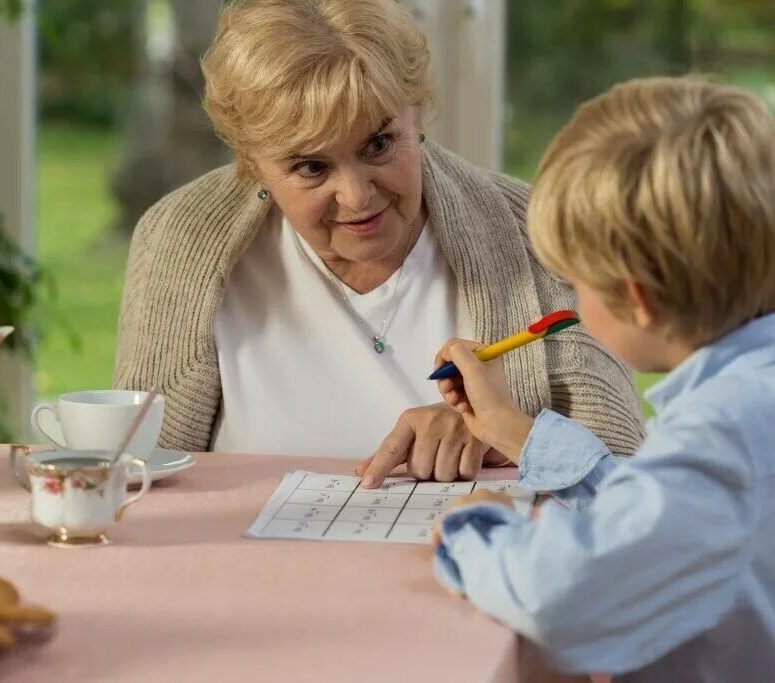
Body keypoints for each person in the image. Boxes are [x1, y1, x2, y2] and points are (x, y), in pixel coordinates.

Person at [113, 0, 643, 482]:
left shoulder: (538, 233)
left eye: (379, 144)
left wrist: (504, 438)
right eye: (311, 167)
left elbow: (631, 480)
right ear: (252, 163)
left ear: (416, 112)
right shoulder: (178, 239)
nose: (357, 196)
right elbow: (130, 472)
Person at [430, 77, 775, 680]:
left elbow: (562, 599)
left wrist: (475, 526)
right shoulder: (749, 397)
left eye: (576, 281)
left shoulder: (720, 431)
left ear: (638, 300)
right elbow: (674, 514)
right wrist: (520, 433)